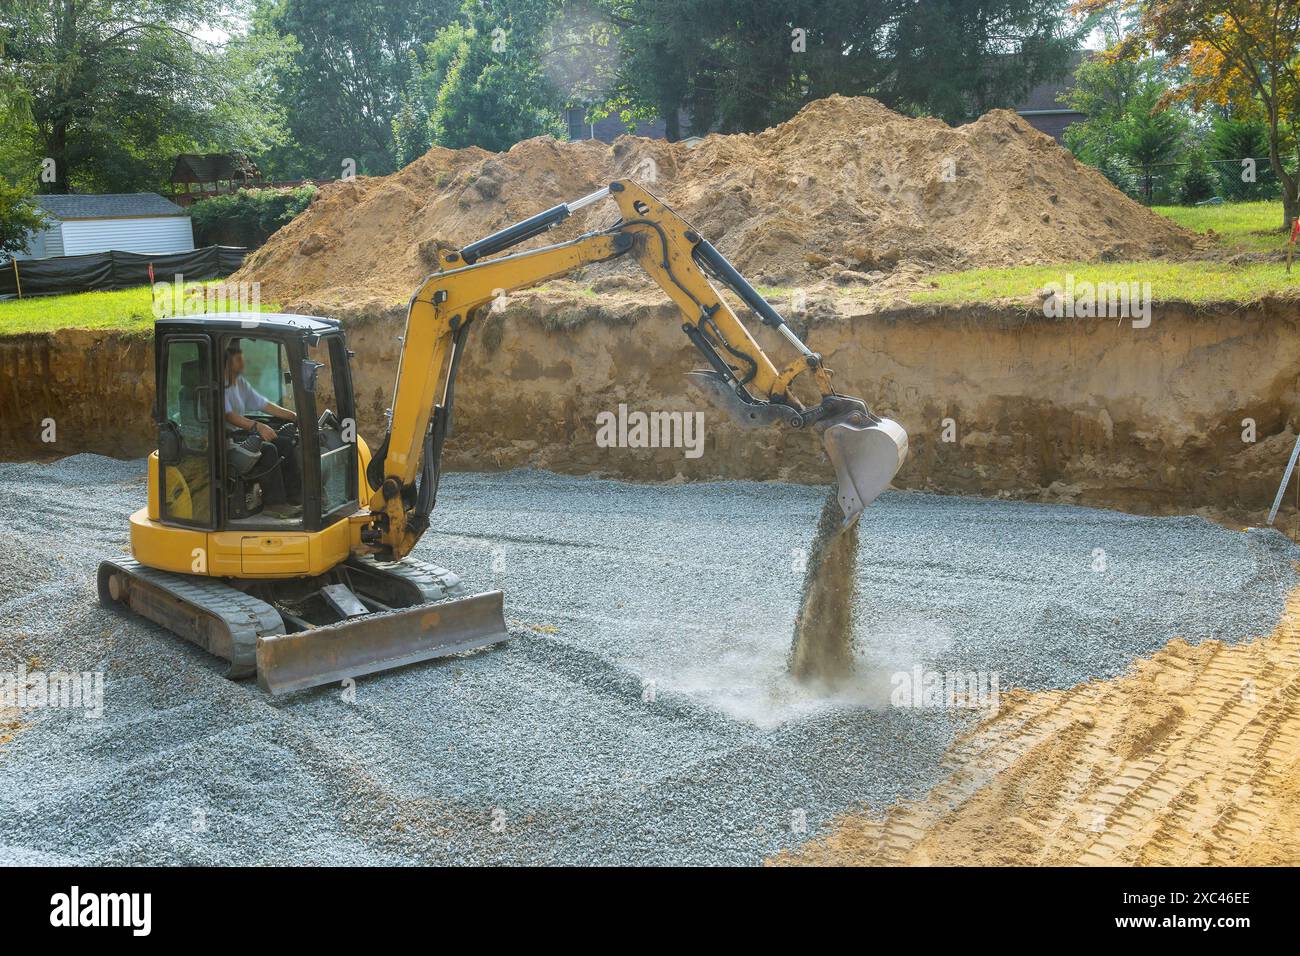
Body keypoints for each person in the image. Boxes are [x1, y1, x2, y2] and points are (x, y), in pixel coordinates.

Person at [223, 340, 301, 510]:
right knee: (268, 450)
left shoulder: (240, 383)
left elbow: (264, 405)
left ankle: (295, 498)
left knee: (285, 443)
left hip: (242, 433)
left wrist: (294, 416)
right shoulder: (219, 386)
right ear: (227, 363)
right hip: (226, 440)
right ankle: (275, 504)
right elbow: (229, 415)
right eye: (238, 360)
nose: (243, 363)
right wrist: (257, 426)